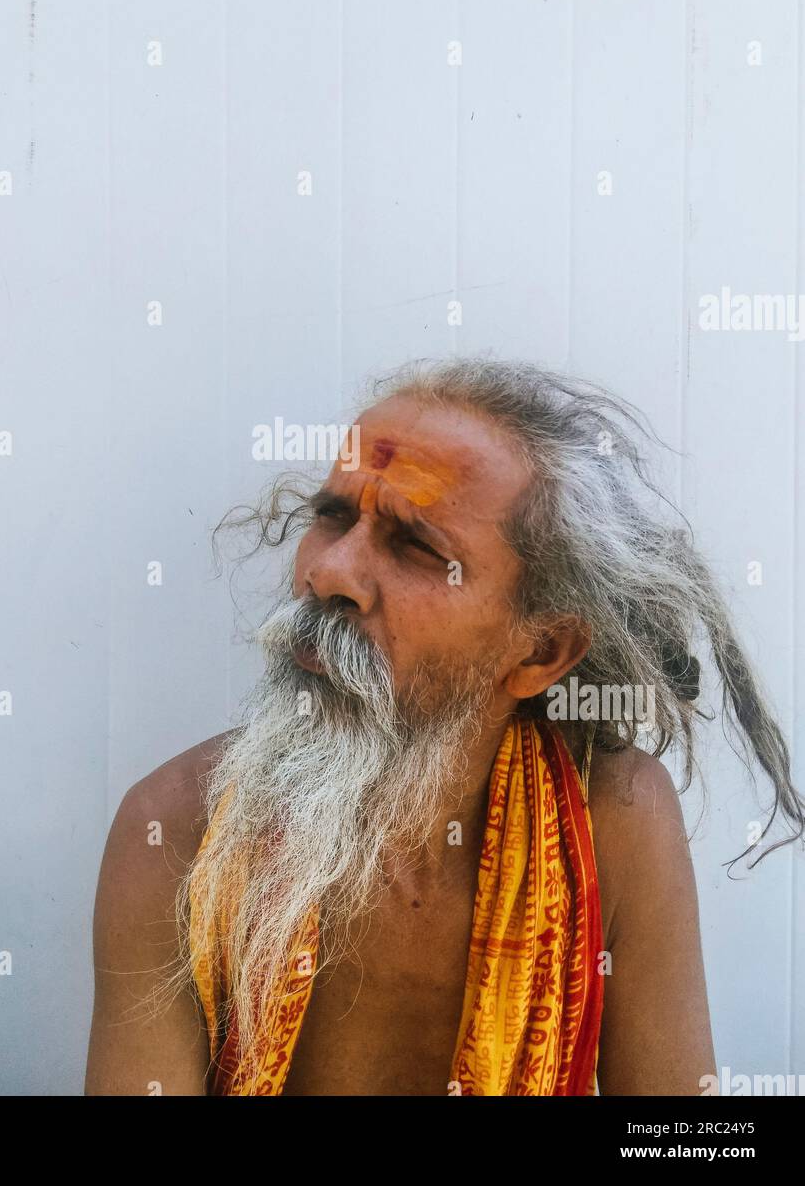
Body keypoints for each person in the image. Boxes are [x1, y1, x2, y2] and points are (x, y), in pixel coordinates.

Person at [84, 356, 805, 1096]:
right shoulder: (175, 831)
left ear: (541, 651)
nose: (328, 572)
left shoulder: (611, 819)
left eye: (417, 547)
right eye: (333, 514)